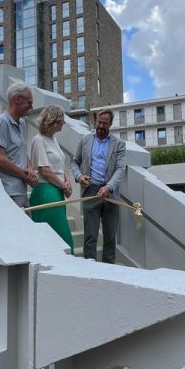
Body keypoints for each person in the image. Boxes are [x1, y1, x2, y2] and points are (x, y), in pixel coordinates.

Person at [71, 109, 126, 263]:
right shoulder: (85, 140)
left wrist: (108, 187)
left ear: (111, 124)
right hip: (91, 192)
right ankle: (90, 272)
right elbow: (75, 162)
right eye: (99, 122)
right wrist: (79, 176)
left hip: (110, 194)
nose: (101, 126)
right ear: (96, 121)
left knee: (109, 239)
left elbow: (121, 169)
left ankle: (109, 274)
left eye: (105, 123)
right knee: (90, 237)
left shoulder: (119, 144)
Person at [28, 105, 74, 252]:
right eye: (62, 120)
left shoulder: (53, 140)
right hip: (46, 192)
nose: (64, 123)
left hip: (57, 192)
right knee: (62, 237)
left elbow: (60, 167)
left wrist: (67, 182)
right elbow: (45, 171)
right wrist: (62, 185)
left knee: (59, 236)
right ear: (54, 121)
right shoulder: (38, 140)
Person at [0, 82, 38, 207]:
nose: (31, 107)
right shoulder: (1, 122)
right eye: (30, 102)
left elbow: (21, 151)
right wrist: (26, 176)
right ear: (17, 99)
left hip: (20, 191)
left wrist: (31, 169)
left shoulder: (21, 123)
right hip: (8, 192)